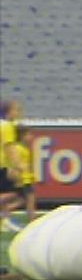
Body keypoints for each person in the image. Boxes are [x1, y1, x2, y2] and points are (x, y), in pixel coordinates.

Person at [1, 100, 23, 233]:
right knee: (13, 194)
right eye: (16, 110)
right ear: (8, 112)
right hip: (3, 164)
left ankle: (5, 220)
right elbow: (9, 147)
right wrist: (15, 166)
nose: (18, 113)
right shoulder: (8, 126)